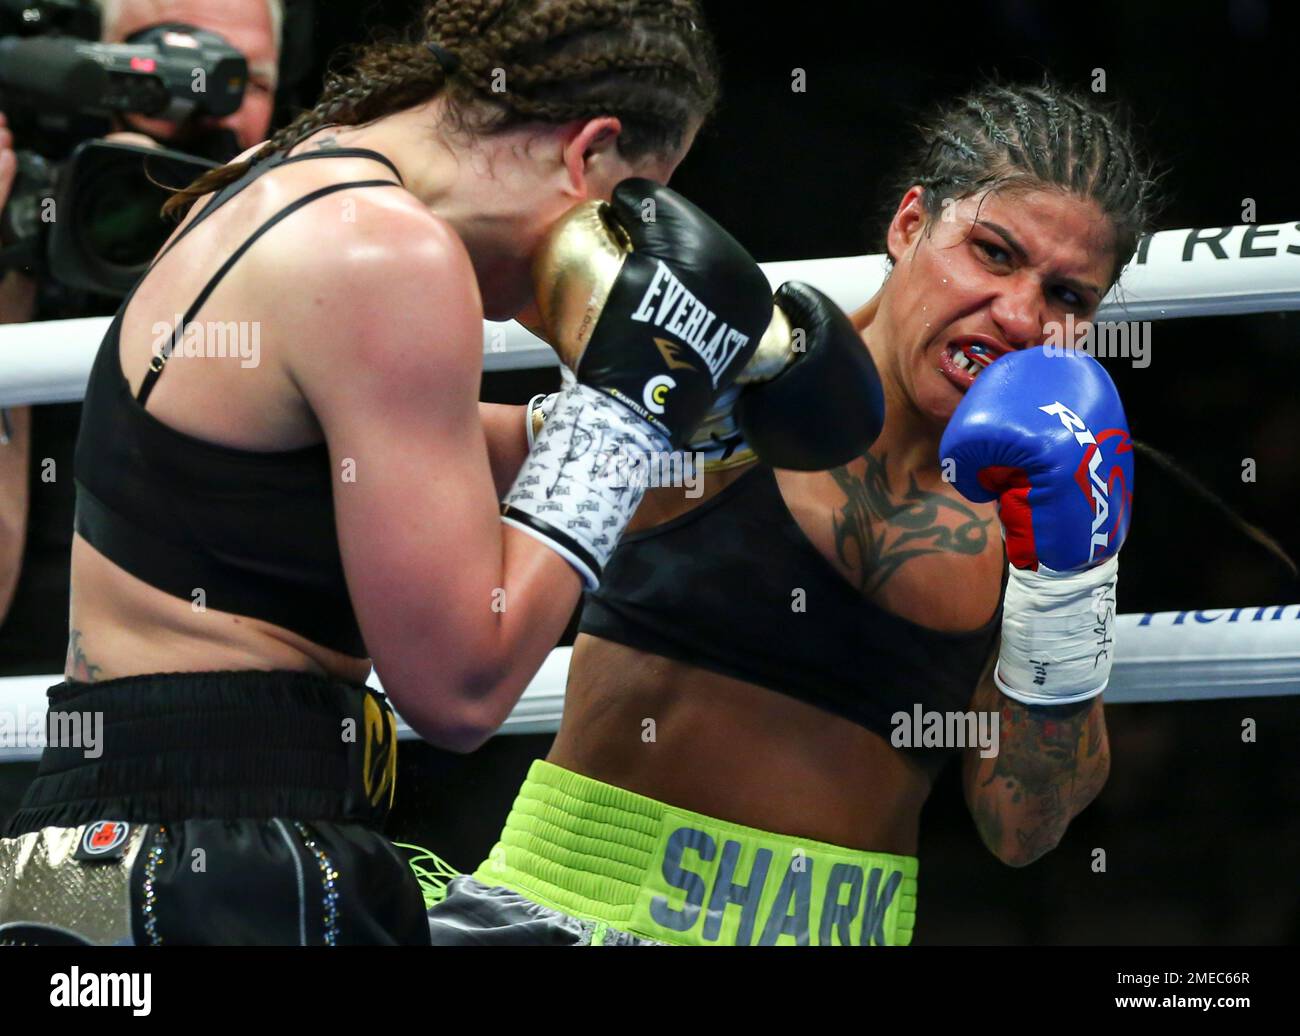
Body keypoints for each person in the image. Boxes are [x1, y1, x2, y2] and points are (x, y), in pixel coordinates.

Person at [0, 0, 777, 946]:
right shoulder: (390, 255)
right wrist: (621, 418)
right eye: (628, 205)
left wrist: (678, 425)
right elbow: (458, 690)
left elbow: (377, 458)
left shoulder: (292, 178)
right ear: (589, 153)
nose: (612, 254)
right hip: (224, 862)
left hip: (104, 852)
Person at [425, 80, 1156, 946]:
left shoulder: (1048, 508)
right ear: (910, 224)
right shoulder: (744, 383)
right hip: (577, 911)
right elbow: (430, 452)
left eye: (1069, 298)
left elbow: (1022, 827)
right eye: (994, 254)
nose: (1021, 314)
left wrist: (1072, 585)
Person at [0, 0, 284, 676]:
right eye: (162, 59)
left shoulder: (328, 253)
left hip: (255, 731)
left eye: (246, 78)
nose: (206, 99)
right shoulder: (27, 229)